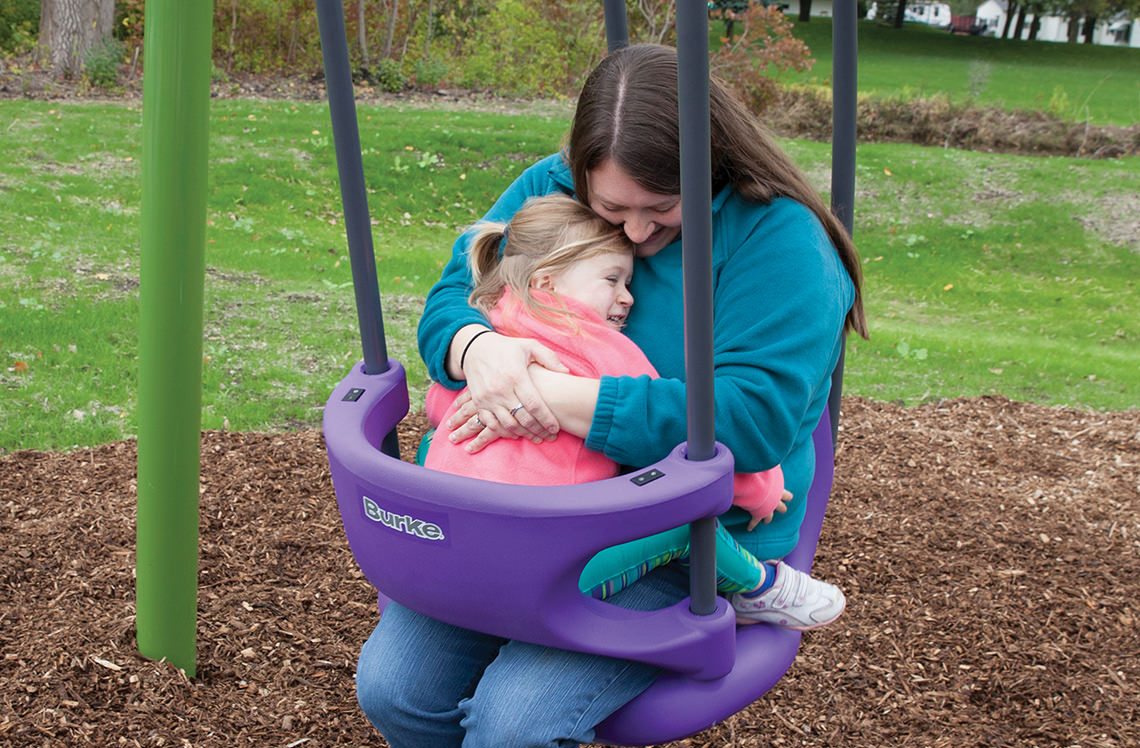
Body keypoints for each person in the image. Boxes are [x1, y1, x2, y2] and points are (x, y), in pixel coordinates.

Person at [356, 43, 867, 748]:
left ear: (709, 166)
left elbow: (749, 422)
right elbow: (455, 298)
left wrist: (541, 392)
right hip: (522, 513)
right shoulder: (551, 187)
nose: (633, 232)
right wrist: (483, 350)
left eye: (661, 208)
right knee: (394, 689)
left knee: (513, 724)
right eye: (610, 208)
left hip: (680, 538)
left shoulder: (780, 241)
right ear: (581, 174)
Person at [420, 192, 845, 618]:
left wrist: (499, 409)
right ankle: (763, 588)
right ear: (547, 281)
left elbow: (439, 406)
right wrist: (761, 489)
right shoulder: (603, 350)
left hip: (450, 547)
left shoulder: (490, 329)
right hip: (548, 565)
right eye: (612, 280)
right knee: (682, 526)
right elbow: (682, 446)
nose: (628, 298)